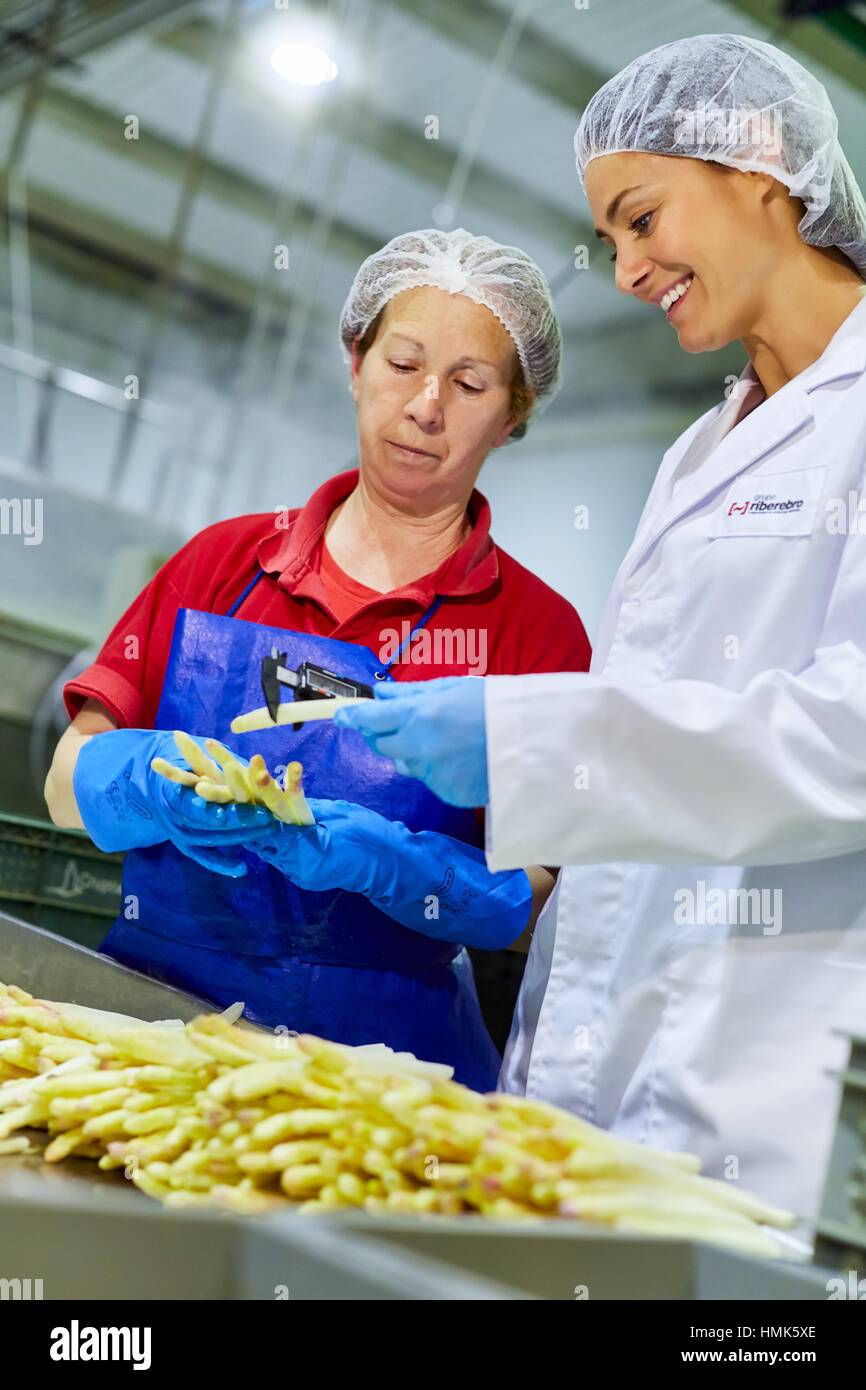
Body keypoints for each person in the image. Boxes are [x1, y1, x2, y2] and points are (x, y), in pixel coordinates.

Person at [334, 35, 866, 1223]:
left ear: (759, 168)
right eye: (609, 239)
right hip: (588, 1064)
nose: (625, 269)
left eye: (640, 219)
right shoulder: (698, 450)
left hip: (754, 1076)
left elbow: (850, 736)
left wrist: (533, 740)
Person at [44, 228, 591, 1092]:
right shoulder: (224, 561)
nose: (426, 407)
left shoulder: (538, 633)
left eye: (470, 383)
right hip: (149, 1041)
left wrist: (394, 864)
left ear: (514, 411)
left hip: (383, 1083)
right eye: (403, 364)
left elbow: (544, 900)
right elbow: (64, 781)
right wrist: (140, 777)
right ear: (356, 360)